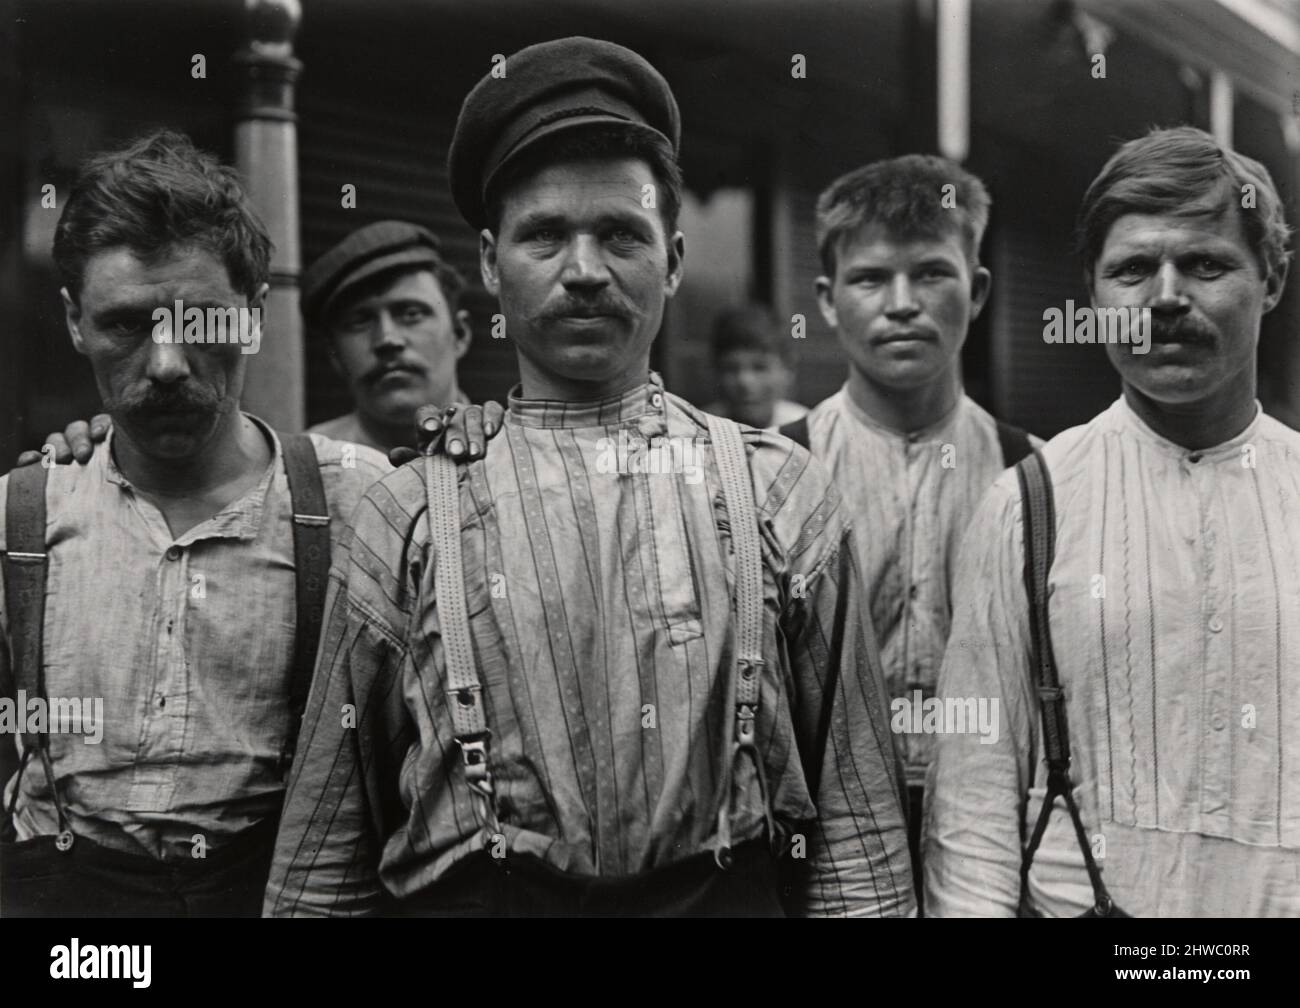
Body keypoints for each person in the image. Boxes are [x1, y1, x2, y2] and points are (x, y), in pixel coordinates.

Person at [265, 36, 914, 918]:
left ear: (674, 261)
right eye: (544, 236)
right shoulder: (407, 510)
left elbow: (860, 832)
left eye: (619, 234)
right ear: (491, 264)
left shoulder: (776, 491)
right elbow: (325, 860)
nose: (582, 271)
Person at [0, 129, 390, 916]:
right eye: (126, 324)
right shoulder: (21, 514)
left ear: (252, 315)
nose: (169, 362)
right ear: (75, 322)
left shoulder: (360, 503)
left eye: (202, 322)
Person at [926, 125, 1297, 917]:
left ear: (1269, 279)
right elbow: (974, 797)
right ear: (1095, 299)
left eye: (1205, 264)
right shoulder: (1031, 502)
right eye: (1132, 270)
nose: (1166, 298)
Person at [778, 154, 1036, 901]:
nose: (901, 304)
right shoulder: (778, 473)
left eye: (931, 273)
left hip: (997, 836)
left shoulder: (1035, 475)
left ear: (977, 289)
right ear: (827, 299)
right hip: (822, 840)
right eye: (869, 279)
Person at [301, 220, 477, 454]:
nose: (386, 339)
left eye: (411, 314)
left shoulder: (512, 452)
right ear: (334, 356)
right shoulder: (306, 465)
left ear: (460, 334)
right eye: (359, 321)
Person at [704, 303, 807, 430]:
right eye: (731, 369)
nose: (744, 381)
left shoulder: (810, 430)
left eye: (760, 368)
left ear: (788, 371)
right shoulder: (699, 429)